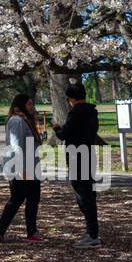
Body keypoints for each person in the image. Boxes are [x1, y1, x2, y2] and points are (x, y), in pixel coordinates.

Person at [53, 81, 107, 248]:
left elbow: (65, 134)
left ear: (71, 98)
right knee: (89, 194)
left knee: (83, 195)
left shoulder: (75, 113)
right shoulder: (92, 112)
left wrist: (56, 129)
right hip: (89, 154)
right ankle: (91, 231)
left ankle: (92, 234)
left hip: (77, 157)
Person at [0, 94, 44, 243]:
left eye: (31, 104)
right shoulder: (17, 121)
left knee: (17, 199)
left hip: (28, 166)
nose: (31, 107)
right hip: (23, 167)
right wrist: (21, 168)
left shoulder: (24, 120)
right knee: (32, 199)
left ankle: (0, 231)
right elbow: (16, 146)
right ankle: (31, 232)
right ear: (21, 105)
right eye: (29, 104)